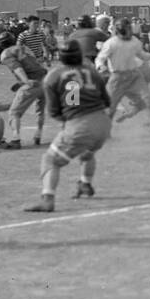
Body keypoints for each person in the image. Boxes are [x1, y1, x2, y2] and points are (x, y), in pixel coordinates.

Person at [24, 40, 113, 212]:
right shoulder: (92, 72)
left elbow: (54, 110)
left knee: (50, 160)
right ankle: (85, 184)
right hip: (103, 124)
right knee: (87, 152)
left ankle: (47, 199)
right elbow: (107, 101)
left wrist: (69, 121)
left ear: (61, 56)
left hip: (80, 124)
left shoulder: (53, 76)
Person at [96, 17, 150, 133]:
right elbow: (100, 58)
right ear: (119, 30)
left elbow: (142, 55)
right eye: (126, 29)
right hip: (117, 78)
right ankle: (104, 132)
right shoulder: (111, 43)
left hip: (134, 76)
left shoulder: (134, 41)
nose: (129, 31)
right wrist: (100, 66)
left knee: (147, 99)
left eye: (129, 28)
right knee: (111, 107)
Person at [0, 31, 47, 148]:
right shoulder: (24, 48)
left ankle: (16, 139)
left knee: (14, 112)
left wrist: (25, 81)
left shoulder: (6, 53)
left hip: (32, 83)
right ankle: (38, 135)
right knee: (40, 110)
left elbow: (17, 68)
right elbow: (35, 64)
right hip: (45, 80)